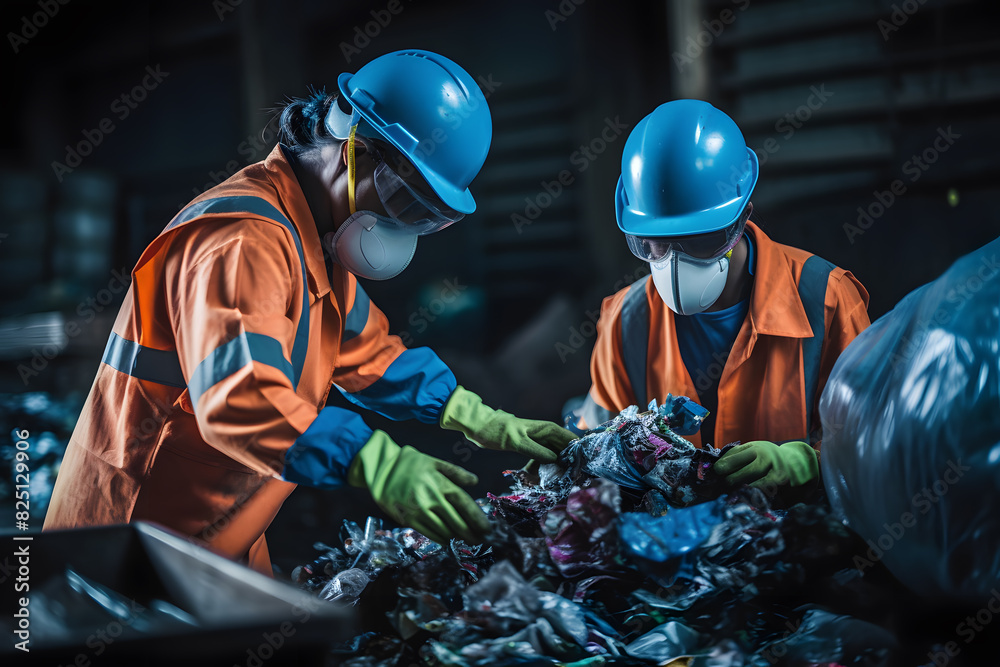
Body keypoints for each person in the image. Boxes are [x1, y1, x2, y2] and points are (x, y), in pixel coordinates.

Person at [43, 49, 574, 574]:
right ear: (355, 151)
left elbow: (369, 354)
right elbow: (240, 396)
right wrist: (371, 459)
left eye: (426, 219)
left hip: (221, 530)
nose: (405, 228)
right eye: (405, 202)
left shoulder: (316, 241)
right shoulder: (242, 240)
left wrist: (475, 416)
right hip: (131, 536)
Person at [568, 100, 870, 493]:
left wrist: (808, 463)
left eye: (700, 239)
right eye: (656, 244)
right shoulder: (625, 320)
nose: (675, 263)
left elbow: (874, 446)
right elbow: (598, 450)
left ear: (741, 218)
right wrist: (568, 457)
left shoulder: (827, 301)